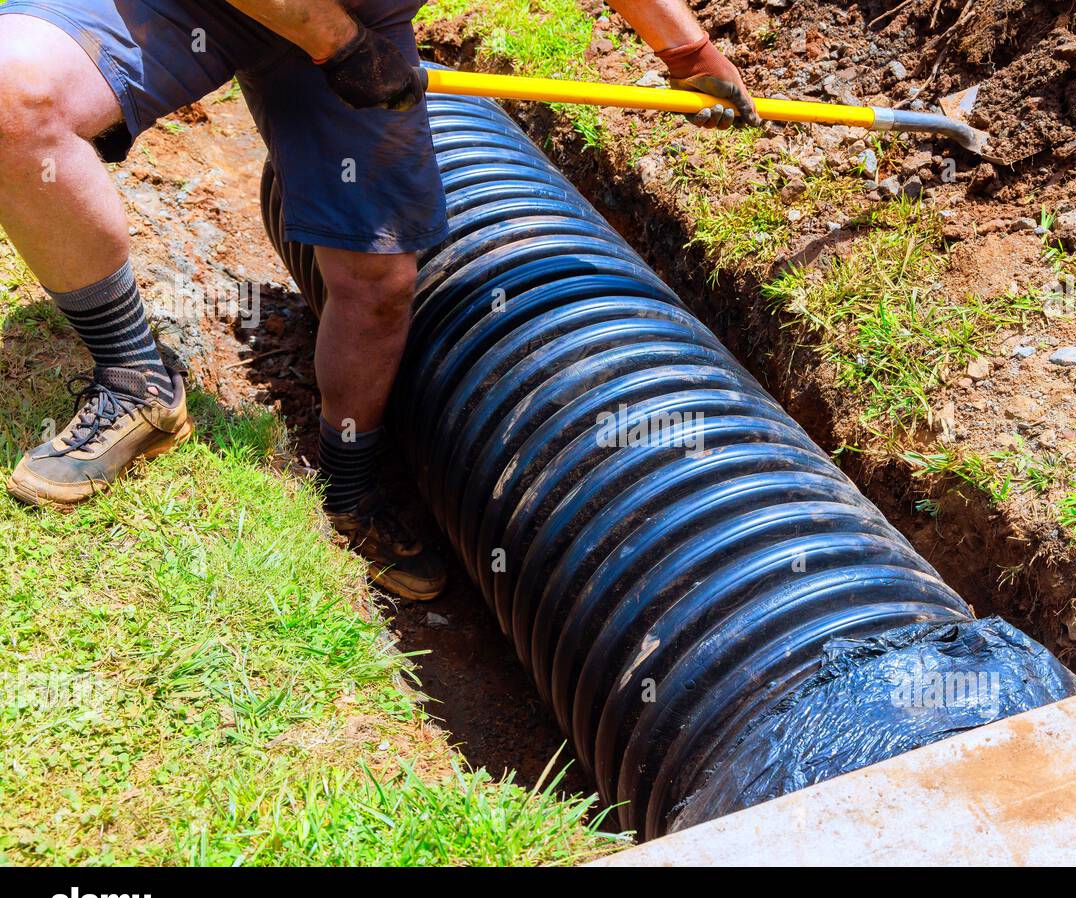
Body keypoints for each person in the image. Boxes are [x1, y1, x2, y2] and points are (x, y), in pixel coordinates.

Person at [0, 0, 755, 599]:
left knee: (380, 281)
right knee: (11, 93)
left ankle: (347, 490)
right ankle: (136, 379)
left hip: (359, 15)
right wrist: (338, 43)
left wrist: (689, 56)